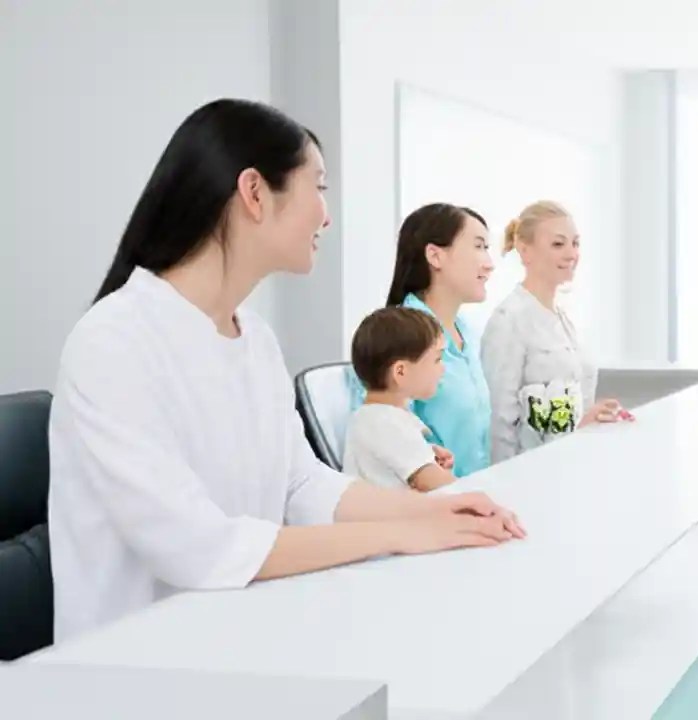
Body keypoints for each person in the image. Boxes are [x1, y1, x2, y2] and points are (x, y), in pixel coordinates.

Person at [46, 100, 524, 643]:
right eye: (318, 187)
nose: (327, 215)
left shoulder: (254, 338)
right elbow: (200, 547)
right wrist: (406, 530)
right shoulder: (114, 343)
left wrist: (433, 506)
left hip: (241, 639)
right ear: (254, 193)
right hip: (135, 669)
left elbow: (300, 483)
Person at [349, 203, 496, 478]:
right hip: (437, 505)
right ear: (435, 256)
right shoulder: (397, 338)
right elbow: (382, 431)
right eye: (478, 246)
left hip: (477, 493)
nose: (489, 264)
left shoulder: (467, 333)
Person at [480, 201, 630, 463]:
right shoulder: (509, 320)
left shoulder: (566, 320)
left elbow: (567, 414)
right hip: (528, 478)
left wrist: (591, 418)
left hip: (568, 467)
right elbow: (500, 425)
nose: (571, 253)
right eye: (558, 244)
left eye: (576, 243)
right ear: (525, 251)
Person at [344, 307, 457, 492]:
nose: (443, 369)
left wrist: (426, 453)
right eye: (437, 359)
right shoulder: (384, 423)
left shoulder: (376, 418)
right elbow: (433, 483)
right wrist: (482, 493)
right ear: (401, 372)